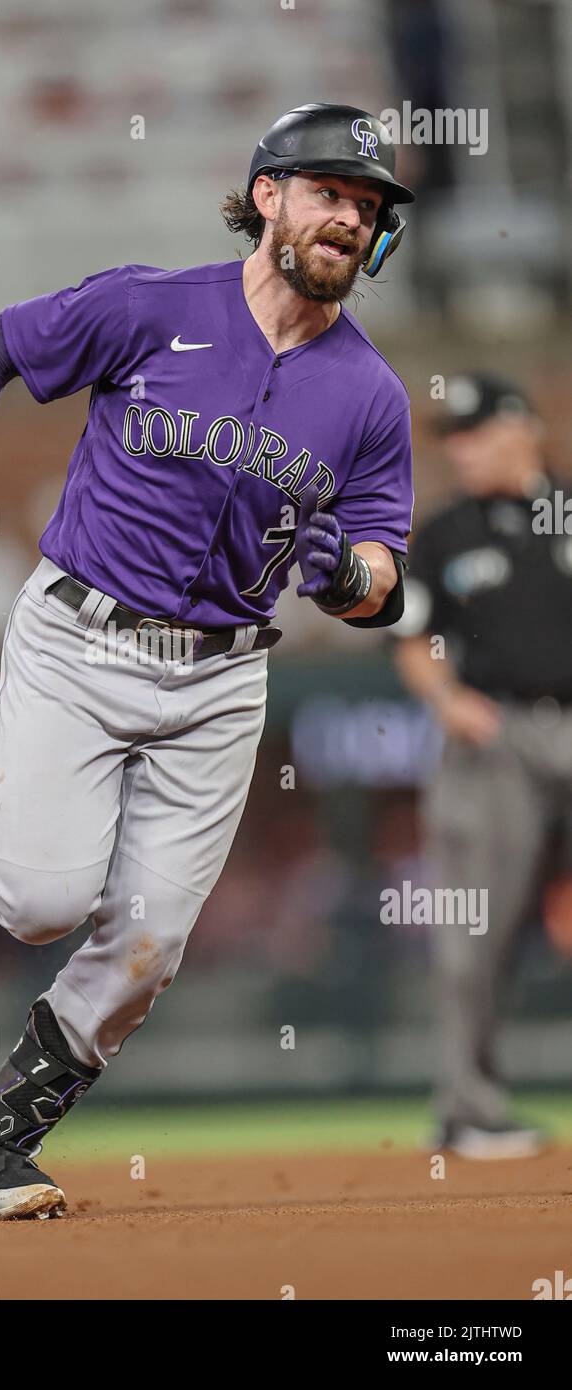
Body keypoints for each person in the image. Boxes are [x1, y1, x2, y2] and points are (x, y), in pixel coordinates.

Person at [0, 103, 415, 1220]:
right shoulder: (150, 306)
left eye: (364, 208)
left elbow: (379, 567)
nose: (347, 221)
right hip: (78, 637)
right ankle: (30, 810)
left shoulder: (369, 393)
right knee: (36, 904)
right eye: (327, 195)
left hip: (221, 679)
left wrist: (345, 580)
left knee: (150, 943)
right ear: (267, 197)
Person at [394, 371, 566, 1158]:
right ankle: (469, 1108)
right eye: (451, 438)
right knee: (473, 927)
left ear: (521, 428)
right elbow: (415, 639)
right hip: (496, 733)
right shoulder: (445, 532)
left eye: (473, 433)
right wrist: (447, 698)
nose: (459, 451)